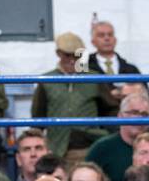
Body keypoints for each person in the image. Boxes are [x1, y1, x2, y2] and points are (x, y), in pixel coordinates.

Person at [32, 32, 115, 169]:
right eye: (67, 55)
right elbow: (38, 116)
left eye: (76, 55)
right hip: (56, 148)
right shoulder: (46, 80)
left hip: (89, 146)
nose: (72, 60)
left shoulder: (94, 79)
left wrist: (106, 134)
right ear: (59, 54)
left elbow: (111, 107)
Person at [85, 92, 149, 181]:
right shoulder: (102, 148)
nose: (139, 118)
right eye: (134, 112)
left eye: (144, 114)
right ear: (120, 116)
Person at [87, 19, 142, 111]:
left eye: (110, 34)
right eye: (101, 35)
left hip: (129, 120)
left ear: (115, 40)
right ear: (93, 42)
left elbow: (146, 97)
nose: (107, 38)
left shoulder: (131, 69)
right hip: (99, 120)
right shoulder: (86, 68)